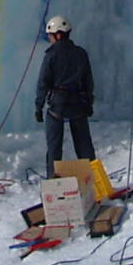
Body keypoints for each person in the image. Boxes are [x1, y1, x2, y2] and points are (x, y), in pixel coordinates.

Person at [34, 15, 95, 175]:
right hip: (78, 102)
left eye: (50, 36)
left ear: (57, 35)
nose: (50, 39)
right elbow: (88, 81)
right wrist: (89, 103)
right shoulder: (80, 53)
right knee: (84, 146)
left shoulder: (51, 55)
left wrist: (38, 106)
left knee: (54, 148)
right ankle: (95, 182)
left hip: (57, 104)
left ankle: (53, 185)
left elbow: (43, 82)